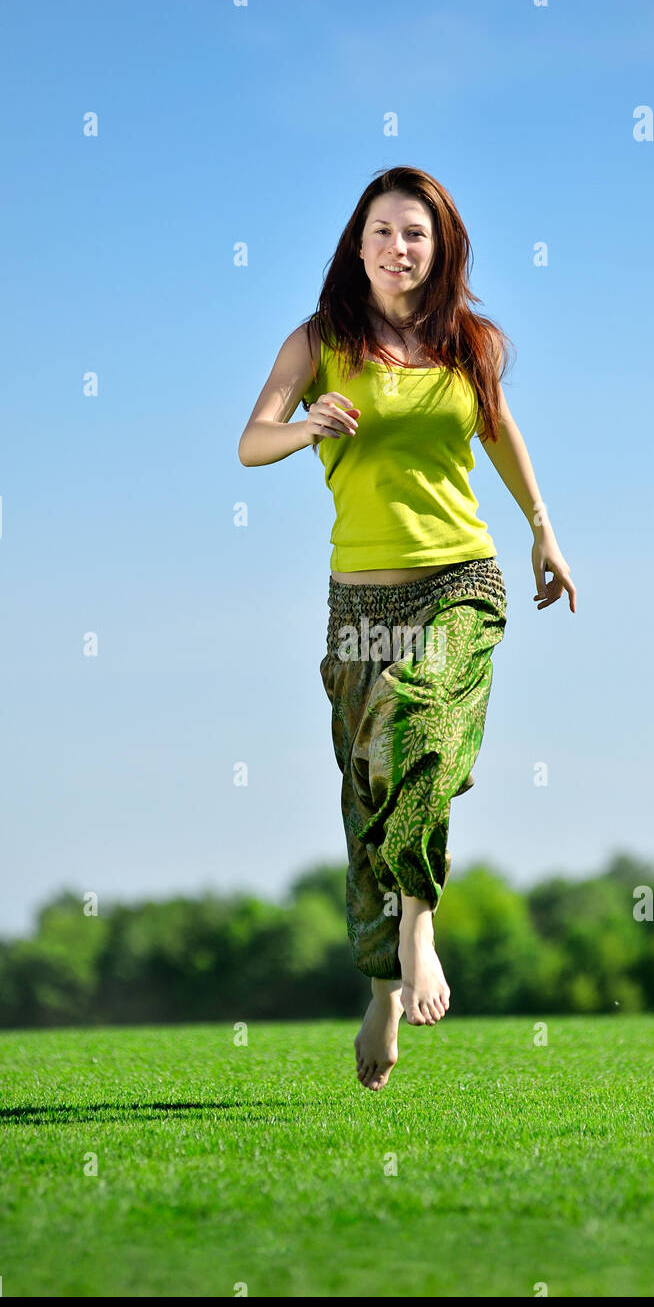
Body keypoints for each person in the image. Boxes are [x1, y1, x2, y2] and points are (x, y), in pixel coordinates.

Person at [238, 166, 575, 1092]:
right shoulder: (321, 342)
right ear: (359, 244)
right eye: (382, 232)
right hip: (359, 606)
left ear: (439, 248)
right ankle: (383, 984)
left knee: (423, 726)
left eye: (415, 235)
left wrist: (542, 526)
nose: (398, 248)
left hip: (459, 580)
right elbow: (250, 439)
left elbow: (499, 431)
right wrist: (306, 425)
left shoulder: (470, 343)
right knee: (366, 801)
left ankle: (419, 933)